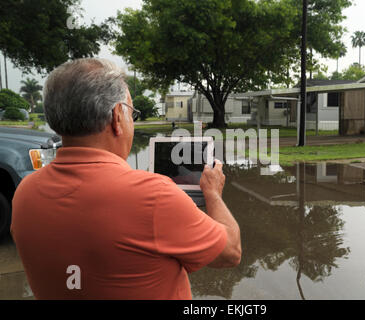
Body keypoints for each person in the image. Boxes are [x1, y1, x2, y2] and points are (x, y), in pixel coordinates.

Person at [11, 58, 241, 300]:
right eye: (132, 112)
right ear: (117, 117)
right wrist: (212, 193)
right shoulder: (154, 195)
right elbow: (230, 253)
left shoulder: (25, 192)